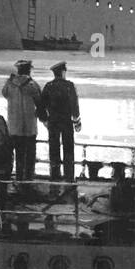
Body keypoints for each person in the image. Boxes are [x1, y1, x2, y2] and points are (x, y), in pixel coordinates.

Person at [41, 61, 81, 193]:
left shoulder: (48, 86)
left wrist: (45, 120)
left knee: (54, 150)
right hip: (66, 122)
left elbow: (41, 106)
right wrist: (77, 121)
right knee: (68, 149)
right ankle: (69, 178)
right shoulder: (69, 86)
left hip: (53, 122)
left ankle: (55, 178)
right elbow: (74, 105)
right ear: (63, 72)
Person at [1, 59, 44, 185]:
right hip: (29, 128)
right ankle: (28, 181)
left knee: (17, 156)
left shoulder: (9, 85)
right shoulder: (33, 85)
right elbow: (40, 103)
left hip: (14, 127)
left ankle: (18, 180)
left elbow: (4, 93)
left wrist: (9, 80)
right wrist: (44, 119)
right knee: (29, 157)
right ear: (29, 70)